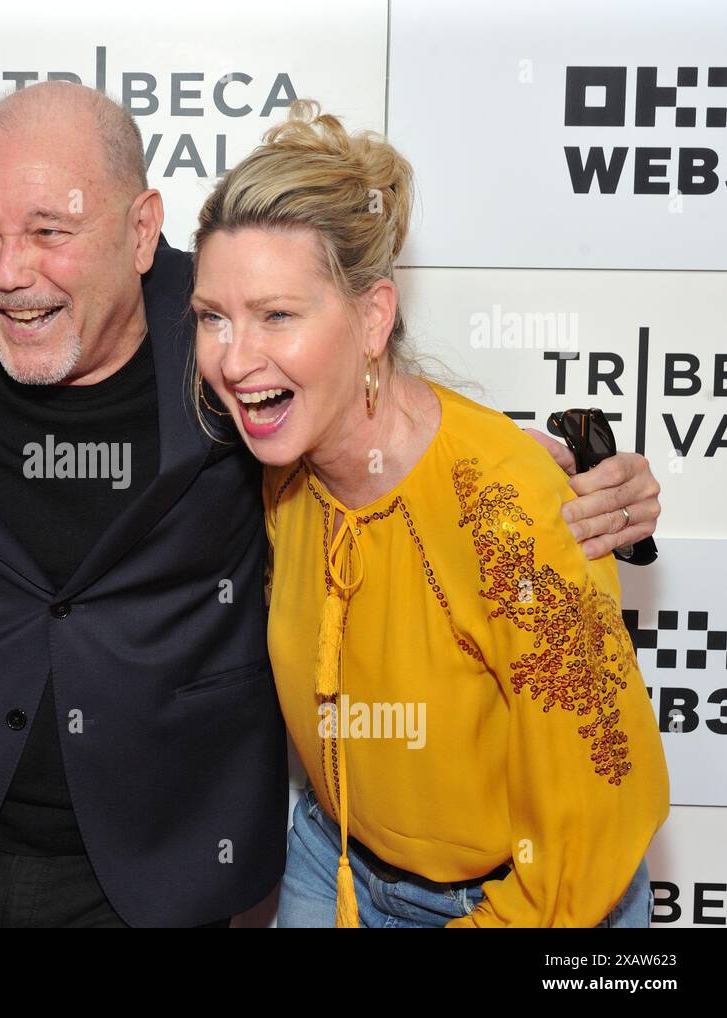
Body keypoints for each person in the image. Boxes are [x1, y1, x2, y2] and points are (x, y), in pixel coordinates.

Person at [0, 83, 662, 928]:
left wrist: (549, 465)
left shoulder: (229, 345)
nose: (7, 270)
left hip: (174, 873)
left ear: (141, 235)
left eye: (51, 229)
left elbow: (371, 403)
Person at [192, 100, 669, 927]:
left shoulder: (511, 509)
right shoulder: (285, 468)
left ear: (373, 317)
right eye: (212, 317)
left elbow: (597, 818)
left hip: (525, 902)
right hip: (331, 865)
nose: (234, 360)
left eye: (277, 314)